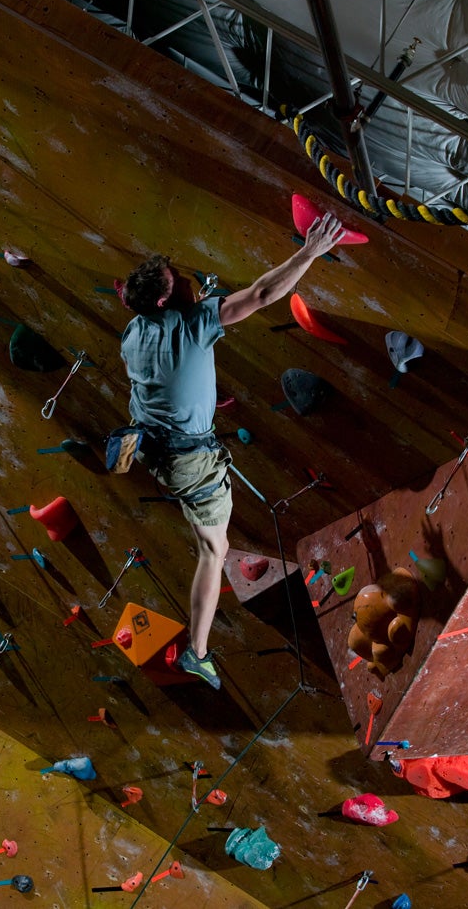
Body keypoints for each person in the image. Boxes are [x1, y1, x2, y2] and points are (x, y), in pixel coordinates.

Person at [120, 211, 346, 688]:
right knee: (213, 549)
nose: (182, 280)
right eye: (175, 280)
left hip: (153, 448)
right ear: (163, 299)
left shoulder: (134, 333)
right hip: (190, 462)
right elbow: (263, 294)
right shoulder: (197, 323)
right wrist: (311, 250)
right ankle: (198, 653)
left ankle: (199, 644)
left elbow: (165, 368)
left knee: (209, 537)